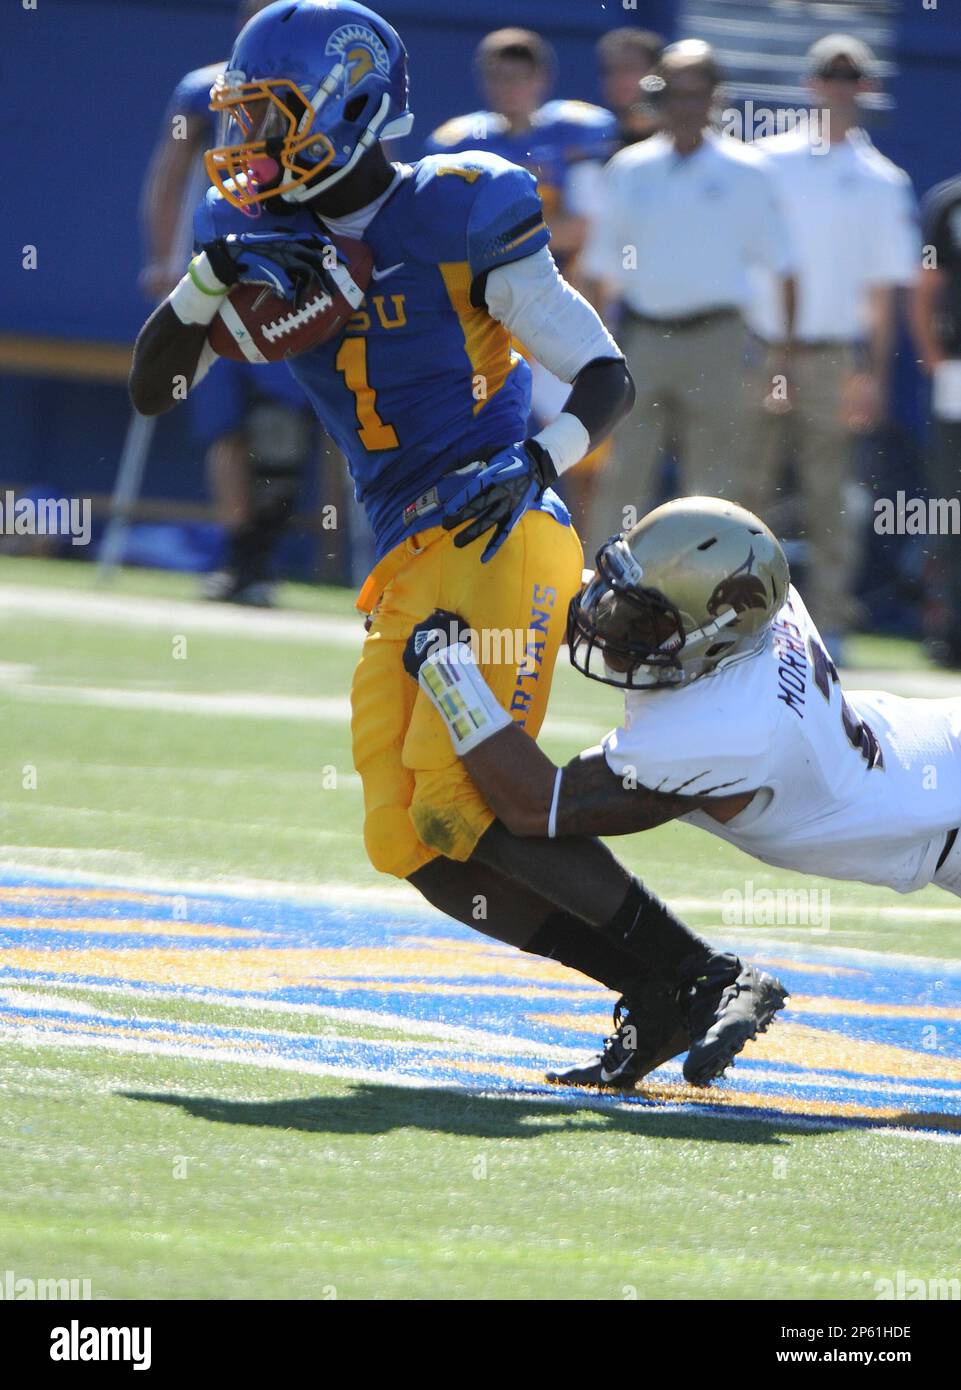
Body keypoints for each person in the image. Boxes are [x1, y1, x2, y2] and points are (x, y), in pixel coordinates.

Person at [128, 1, 783, 1090]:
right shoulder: (256, 236)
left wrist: (541, 457)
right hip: (407, 550)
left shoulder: (456, 206)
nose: (243, 145)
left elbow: (604, 372)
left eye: (270, 117)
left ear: (345, 110)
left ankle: (705, 973)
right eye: (238, 119)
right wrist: (203, 278)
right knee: (411, 839)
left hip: (496, 527)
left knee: (462, 800)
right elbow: (159, 388)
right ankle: (656, 988)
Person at [405, 495, 961, 1084]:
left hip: (940, 817)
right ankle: (672, 988)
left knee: (499, 824)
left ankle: (689, 981)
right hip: (934, 778)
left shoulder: (727, 725)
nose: (609, 619)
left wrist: (449, 670)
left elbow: (531, 805)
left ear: (711, 634)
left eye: (646, 621)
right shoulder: (748, 619)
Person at [139, 0, 330, 604]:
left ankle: (260, 554)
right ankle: (238, 551)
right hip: (221, 258)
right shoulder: (205, 88)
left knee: (283, 421)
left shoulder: (321, 87)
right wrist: (164, 257)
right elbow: (170, 174)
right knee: (220, 420)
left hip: (291, 267)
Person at [581, 41, 797, 552]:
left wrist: (780, 356)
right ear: (658, 96)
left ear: (715, 99)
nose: (684, 106)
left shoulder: (749, 171)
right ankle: (599, 597)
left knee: (719, 485)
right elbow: (596, 268)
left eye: (695, 94)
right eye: (674, 93)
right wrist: (595, 348)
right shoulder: (631, 169)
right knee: (624, 474)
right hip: (642, 337)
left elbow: (784, 267)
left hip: (718, 339)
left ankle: (712, 603)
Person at [748, 34, 920, 658]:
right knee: (747, 490)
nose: (841, 88)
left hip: (830, 356)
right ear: (811, 83)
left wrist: (869, 373)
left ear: (865, 90)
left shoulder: (881, 181)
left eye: (852, 78)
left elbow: (882, 291)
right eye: (830, 76)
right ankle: (742, 619)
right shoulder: (763, 161)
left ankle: (827, 629)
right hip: (760, 348)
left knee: (829, 497)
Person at [910, 170, 961, 670]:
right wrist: (935, 358)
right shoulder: (949, 202)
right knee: (951, 503)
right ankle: (948, 628)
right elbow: (926, 287)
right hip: (959, 371)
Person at [596, 26, 664, 149]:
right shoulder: (595, 140)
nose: (617, 79)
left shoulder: (680, 140)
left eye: (629, 69)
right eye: (609, 70)